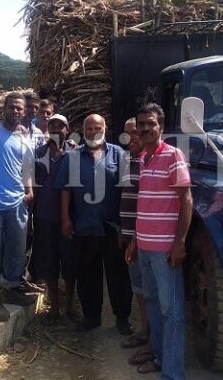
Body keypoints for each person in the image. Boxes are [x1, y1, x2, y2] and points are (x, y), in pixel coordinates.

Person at [125, 103, 193, 378]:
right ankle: (160, 358)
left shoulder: (173, 155)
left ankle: (173, 373)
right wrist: (135, 241)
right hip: (144, 247)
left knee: (171, 310)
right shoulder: (144, 158)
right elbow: (145, 204)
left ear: (161, 127)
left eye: (150, 123)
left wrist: (180, 242)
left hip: (165, 250)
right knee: (152, 303)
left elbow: (186, 200)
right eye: (141, 124)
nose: (145, 129)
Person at [57, 114, 132, 334]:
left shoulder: (119, 155)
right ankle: (91, 317)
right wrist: (65, 218)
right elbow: (65, 190)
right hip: (83, 225)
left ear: (105, 129)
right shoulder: (72, 157)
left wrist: (125, 226)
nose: (93, 132)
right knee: (87, 273)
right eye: (89, 128)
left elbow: (127, 192)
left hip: (112, 227)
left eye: (97, 128)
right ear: (83, 131)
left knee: (118, 275)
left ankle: (122, 319)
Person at [0, 92, 37, 316]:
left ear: (24, 112)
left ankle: (11, 288)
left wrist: (29, 190)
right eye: (11, 107)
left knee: (16, 249)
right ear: (4, 109)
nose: (15, 111)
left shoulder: (25, 139)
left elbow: (27, 168)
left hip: (17, 202)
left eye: (19, 108)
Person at [33, 114, 77, 321]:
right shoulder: (38, 154)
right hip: (44, 217)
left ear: (68, 130)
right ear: (47, 129)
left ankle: (70, 307)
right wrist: (32, 216)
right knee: (49, 263)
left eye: (61, 126)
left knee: (70, 264)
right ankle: (54, 309)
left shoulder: (76, 153)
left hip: (69, 219)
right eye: (53, 125)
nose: (57, 129)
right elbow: (33, 186)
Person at [119, 117, 153, 365]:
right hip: (130, 235)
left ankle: (153, 342)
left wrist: (136, 237)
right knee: (140, 288)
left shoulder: (149, 162)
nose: (130, 138)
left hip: (144, 238)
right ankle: (145, 331)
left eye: (134, 132)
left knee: (151, 291)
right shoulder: (129, 161)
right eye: (127, 133)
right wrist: (123, 230)